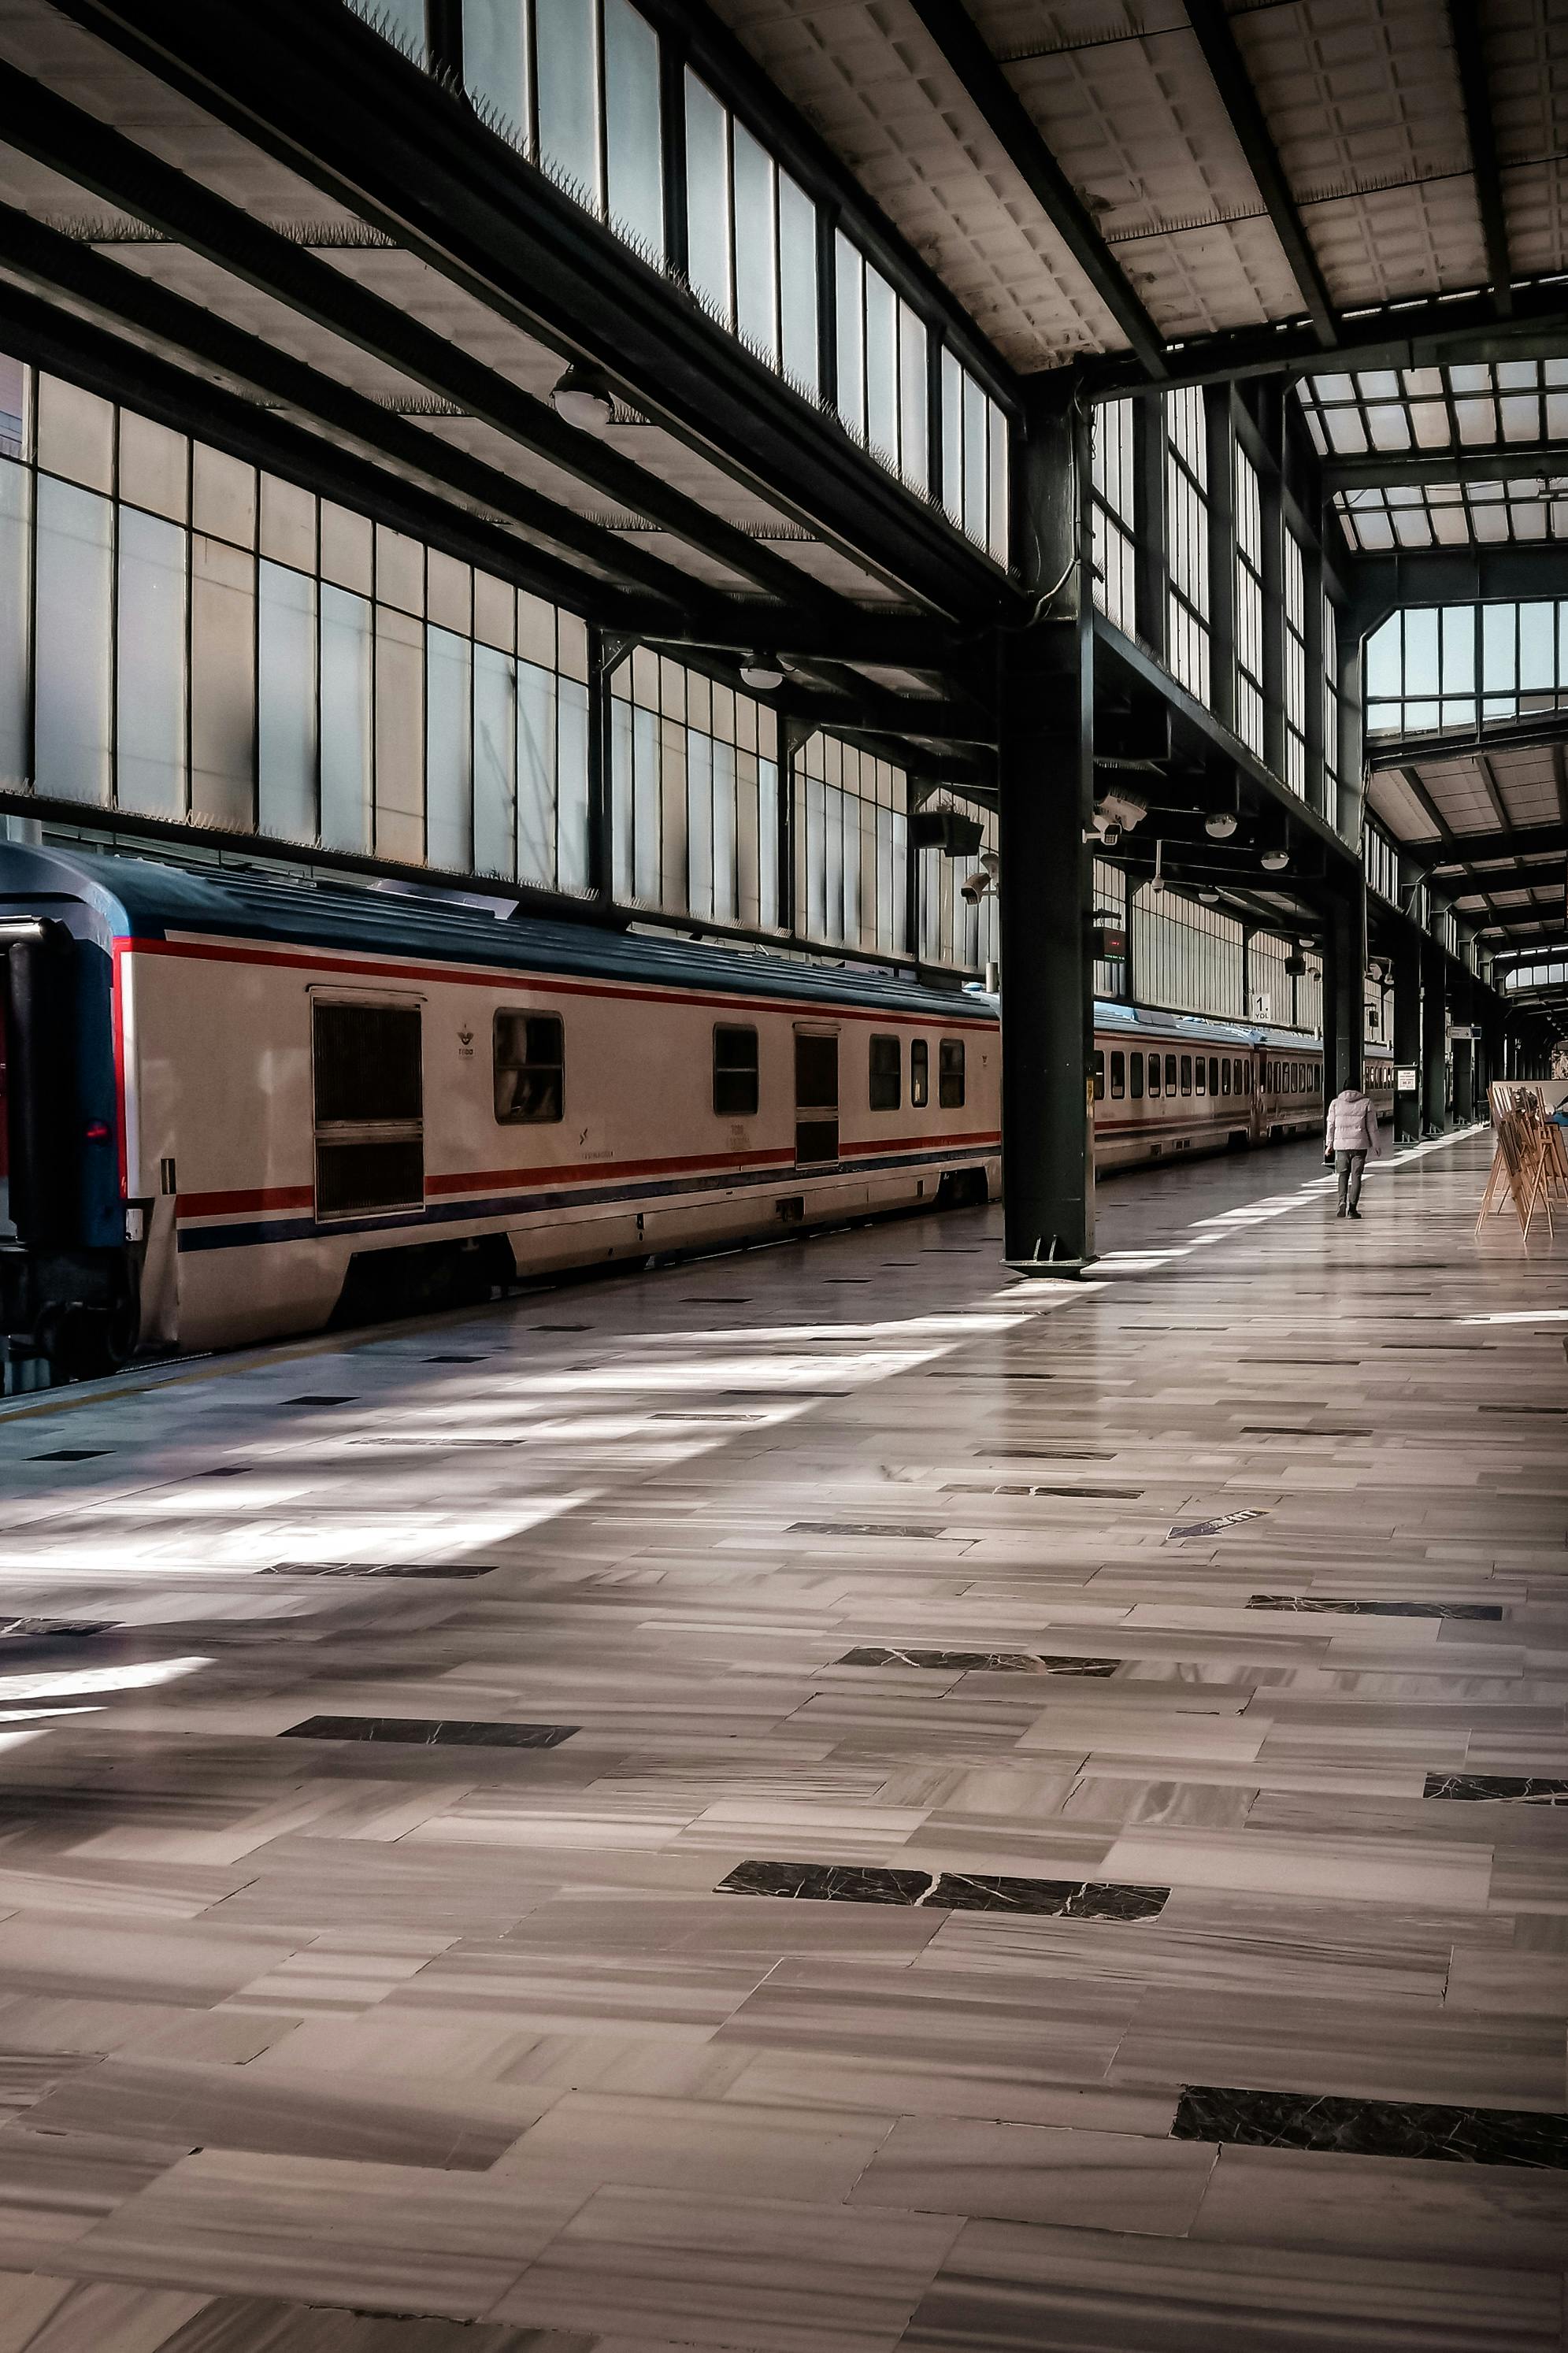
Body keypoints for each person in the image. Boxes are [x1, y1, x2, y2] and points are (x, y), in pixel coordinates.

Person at [1324, 1076, 1384, 1218]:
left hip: (1341, 1146)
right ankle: (1352, 1209)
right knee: (1356, 1176)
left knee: (1343, 1174)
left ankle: (1341, 1202)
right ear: (1359, 1088)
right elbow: (1372, 1127)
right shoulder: (1366, 1102)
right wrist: (1376, 1145)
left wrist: (1329, 1145)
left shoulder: (1335, 1103)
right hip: (1359, 1146)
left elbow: (1330, 1125)